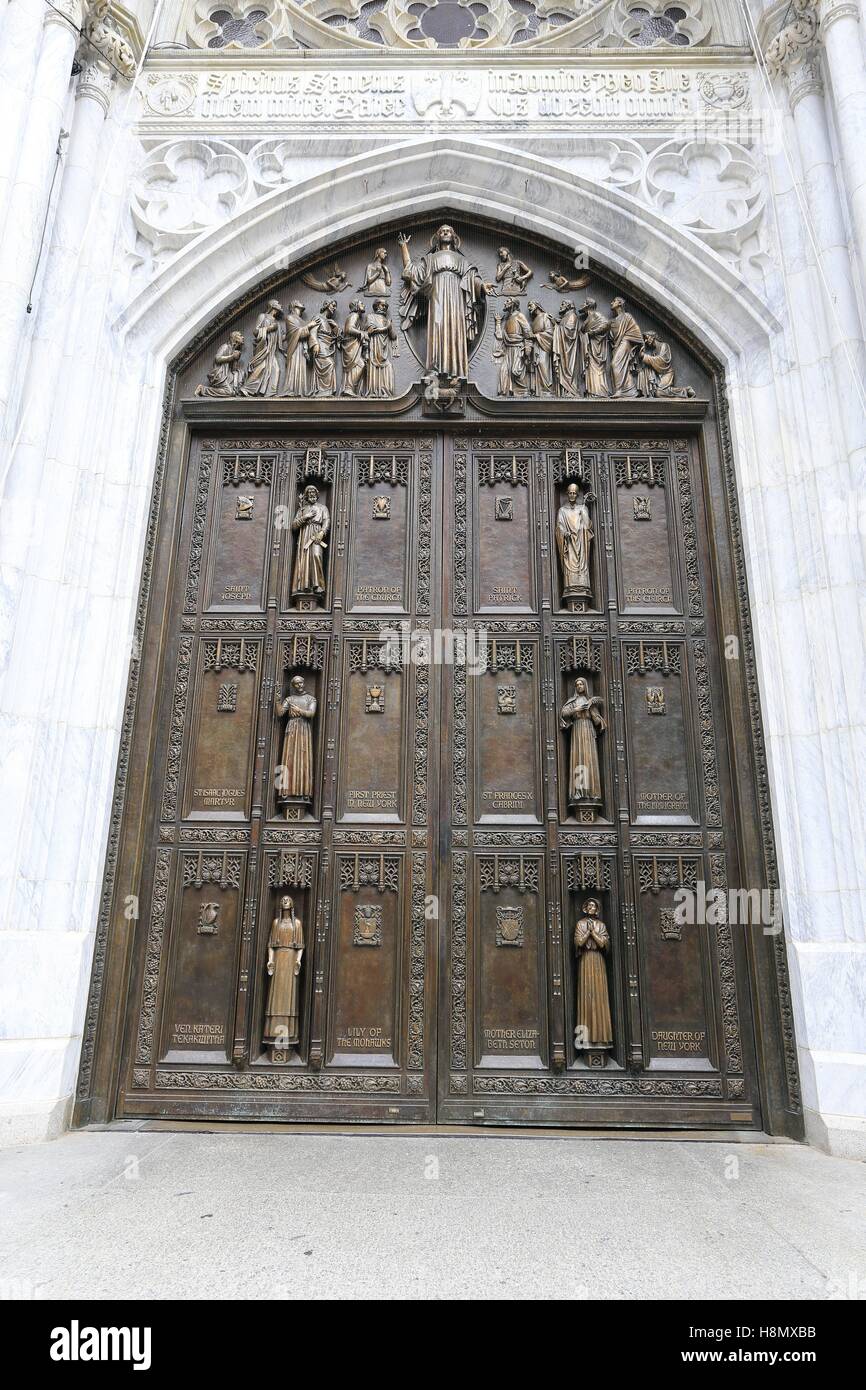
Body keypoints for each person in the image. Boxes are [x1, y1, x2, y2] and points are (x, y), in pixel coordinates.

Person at [397, 224, 492, 379]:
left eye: (448, 231)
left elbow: (471, 278)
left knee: (455, 328)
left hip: (456, 298)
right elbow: (411, 272)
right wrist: (403, 247)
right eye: (442, 231)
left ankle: (457, 371)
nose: (445, 233)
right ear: (438, 237)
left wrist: (482, 286)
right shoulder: (430, 259)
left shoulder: (462, 260)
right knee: (437, 326)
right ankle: (433, 369)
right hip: (437, 296)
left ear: (453, 237)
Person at [263, 895, 304, 1050]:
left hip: (291, 960)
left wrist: (298, 960)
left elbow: (300, 945)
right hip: (279, 960)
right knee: (276, 995)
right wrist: (270, 960)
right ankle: (273, 1032)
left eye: (288, 899)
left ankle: (289, 1032)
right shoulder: (276, 923)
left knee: (288, 995)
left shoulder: (297, 924)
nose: (285, 901)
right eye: (283, 899)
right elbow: (271, 945)